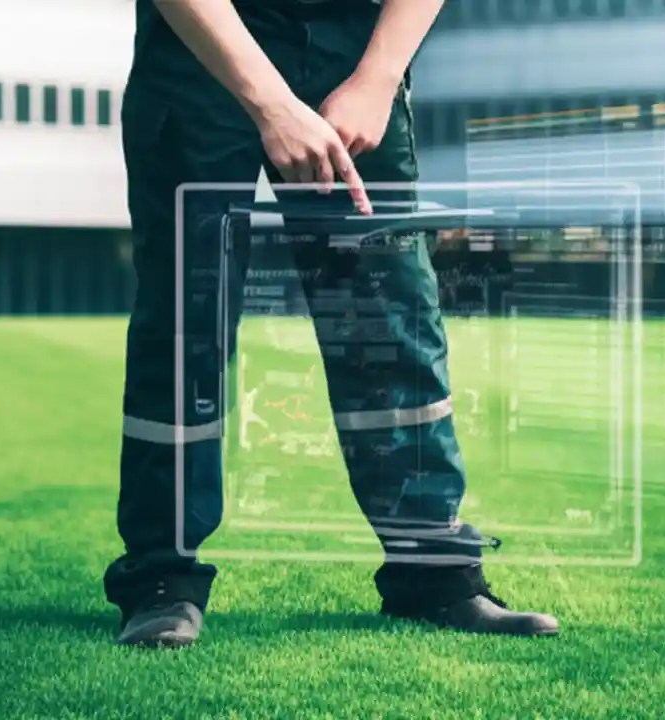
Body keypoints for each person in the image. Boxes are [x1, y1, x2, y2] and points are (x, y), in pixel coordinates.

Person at [105, 0, 559, 647]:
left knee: (392, 313)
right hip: (202, 44)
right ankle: (161, 579)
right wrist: (272, 104)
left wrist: (377, 77)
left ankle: (430, 570)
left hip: (355, 38)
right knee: (186, 319)